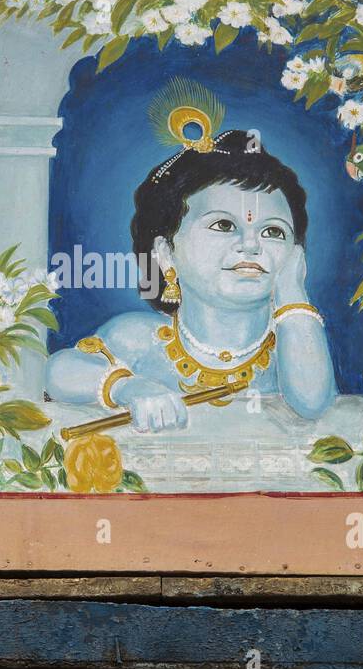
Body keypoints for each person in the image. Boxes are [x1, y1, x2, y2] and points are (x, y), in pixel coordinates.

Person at [45, 83, 336, 433]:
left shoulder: (292, 348)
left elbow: (311, 403)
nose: (251, 245)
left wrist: (292, 295)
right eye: (224, 225)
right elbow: (57, 372)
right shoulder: (139, 338)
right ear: (166, 253)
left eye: (273, 232)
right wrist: (127, 387)